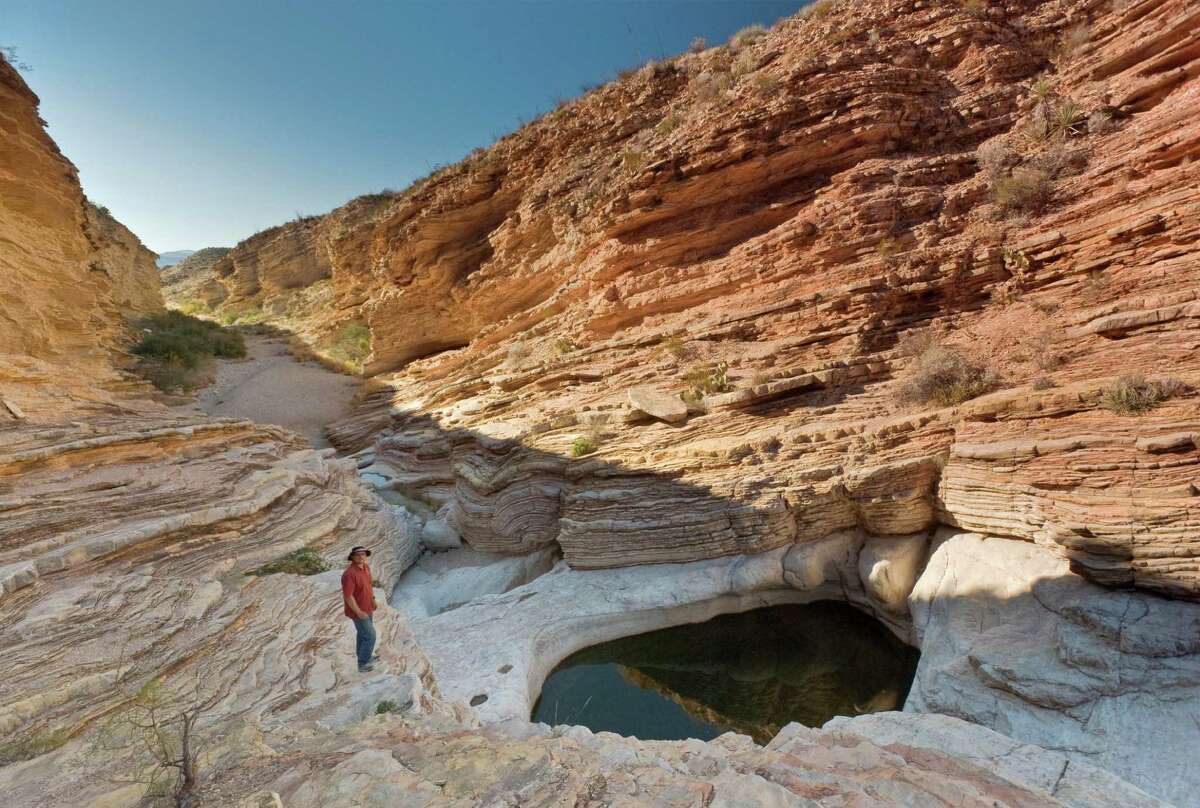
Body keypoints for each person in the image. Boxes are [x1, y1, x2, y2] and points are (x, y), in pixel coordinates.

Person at [341, 545, 378, 672]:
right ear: (352, 557)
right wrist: (358, 611)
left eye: (363, 554)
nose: (361, 557)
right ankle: (363, 664)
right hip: (358, 611)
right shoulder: (349, 574)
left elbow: (368, 585)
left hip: (368, 606)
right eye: (358, 555)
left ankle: (364, 657)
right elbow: (348, 596)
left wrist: (372, 599)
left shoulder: (366, 568)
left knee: (362, 635)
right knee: (370, 636)